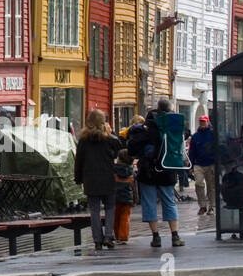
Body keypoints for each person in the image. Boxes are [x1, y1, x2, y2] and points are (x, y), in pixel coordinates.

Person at [127, 100, 183, 248]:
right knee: (169, 202)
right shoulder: (172, 128)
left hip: (148, 171)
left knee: (149, 203)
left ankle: (156, 236)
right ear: (169, 110)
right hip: (166, 169)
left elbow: (132, 148)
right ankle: (175, 236)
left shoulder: (147, 127)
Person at [74, 109, 122, 252]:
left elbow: (79, 161)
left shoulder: (83, 140)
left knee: (94, 210)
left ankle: (97, 240)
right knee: (110, 208)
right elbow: (119, 147)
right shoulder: (108, 139)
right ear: (103, 122)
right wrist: (110, 132)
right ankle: (108, 236)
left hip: (90, 179)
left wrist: (78, 178)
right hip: (107, 177)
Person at [188, 115, 216, 216]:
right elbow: (192, 151)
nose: (202, 123)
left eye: (204, 122)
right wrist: (191, 165)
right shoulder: (196, 136)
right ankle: (202, 206)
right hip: (198, 164)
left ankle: (212, 206)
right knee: (198, 183)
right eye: (201, 121)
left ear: (208, 122)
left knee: (211, 186)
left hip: (211, 163)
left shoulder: (213, 134)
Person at [113, 149, 138, 243]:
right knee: (125, 218)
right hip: (127, 198)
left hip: (115, 198)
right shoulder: (131, 172)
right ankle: (123, 236)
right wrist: (135, 199)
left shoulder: (113, 169)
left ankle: (116, 236)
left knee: (115, 218)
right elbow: (134, 188)